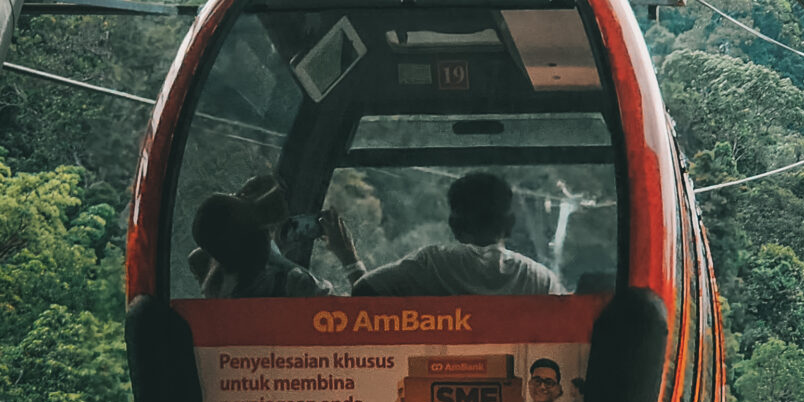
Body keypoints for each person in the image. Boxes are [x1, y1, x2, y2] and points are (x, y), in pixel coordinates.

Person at [352, 172, 565, 296]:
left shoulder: (431, 265)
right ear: (509, 224)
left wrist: (349, 259)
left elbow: (364, 291)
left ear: (454, 225)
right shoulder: (540, 280)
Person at [191, 178, 361, 298]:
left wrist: (276, 253)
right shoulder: (299, 284)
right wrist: (348, 257)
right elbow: (367, 320)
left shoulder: (216, 283)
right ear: (263, 238)